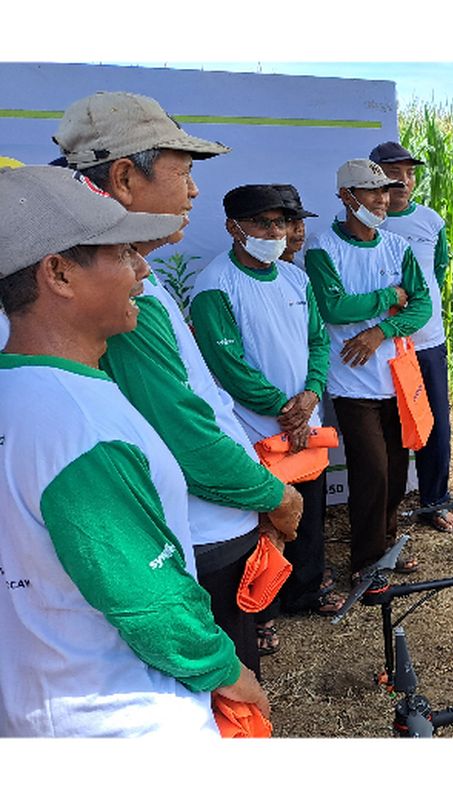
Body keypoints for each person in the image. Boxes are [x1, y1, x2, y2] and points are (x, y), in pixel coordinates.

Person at [0, 165, 268, 736]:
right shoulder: (77, 421)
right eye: (121, 253)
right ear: (59, 273)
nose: (142, 267)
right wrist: (228, 670)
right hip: (126, 721)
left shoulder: (20, 391)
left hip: (43, 699)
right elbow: (146, 599)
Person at [54, 91, 302, 678]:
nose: (193, 191)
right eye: (184, 173)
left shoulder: (131, 273)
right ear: (123, 178)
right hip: (206, 529)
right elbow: (183, 431)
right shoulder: (115, 294)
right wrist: (276, 496)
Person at [190, 185, 340, 658]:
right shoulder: (215, 285)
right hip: (256, 429)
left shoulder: (295, 280)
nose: (274, 232)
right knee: (263, 525)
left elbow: (319, 341)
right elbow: (226, 363)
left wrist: (311, 393)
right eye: (261, 223)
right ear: (234, 227)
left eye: (280, 223)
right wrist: (283, 406)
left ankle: (306, 589)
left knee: (307, 511)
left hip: (303, 421)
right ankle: (261, 612)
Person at [304, 159, 431, 590]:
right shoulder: (323, 248)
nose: (382, 199)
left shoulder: (397, 246)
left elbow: (421, 306)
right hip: (350, 380)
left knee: (396, 469)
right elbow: (333, 307)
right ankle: (366, 559)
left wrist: (381, 330)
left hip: (394, 375)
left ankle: (387, 546)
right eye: (371, 191)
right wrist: (387, 296)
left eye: (384, 191)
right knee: (371, 469)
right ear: (345, 196)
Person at [370, 142, 453, 533]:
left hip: (427, 341)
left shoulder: (431, 221)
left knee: (435, 422)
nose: (403, 181)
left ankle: (434, 500)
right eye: (394, 172)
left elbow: (435, 275)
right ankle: (385, 512)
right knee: (389, 428)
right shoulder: (368, 224)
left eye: (409, 173)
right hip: (383, 346)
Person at [273, 183, 316, 266]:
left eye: (301, 219)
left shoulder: (302, 269)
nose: (299, 228)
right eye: (289, 220)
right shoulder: (257, 271)